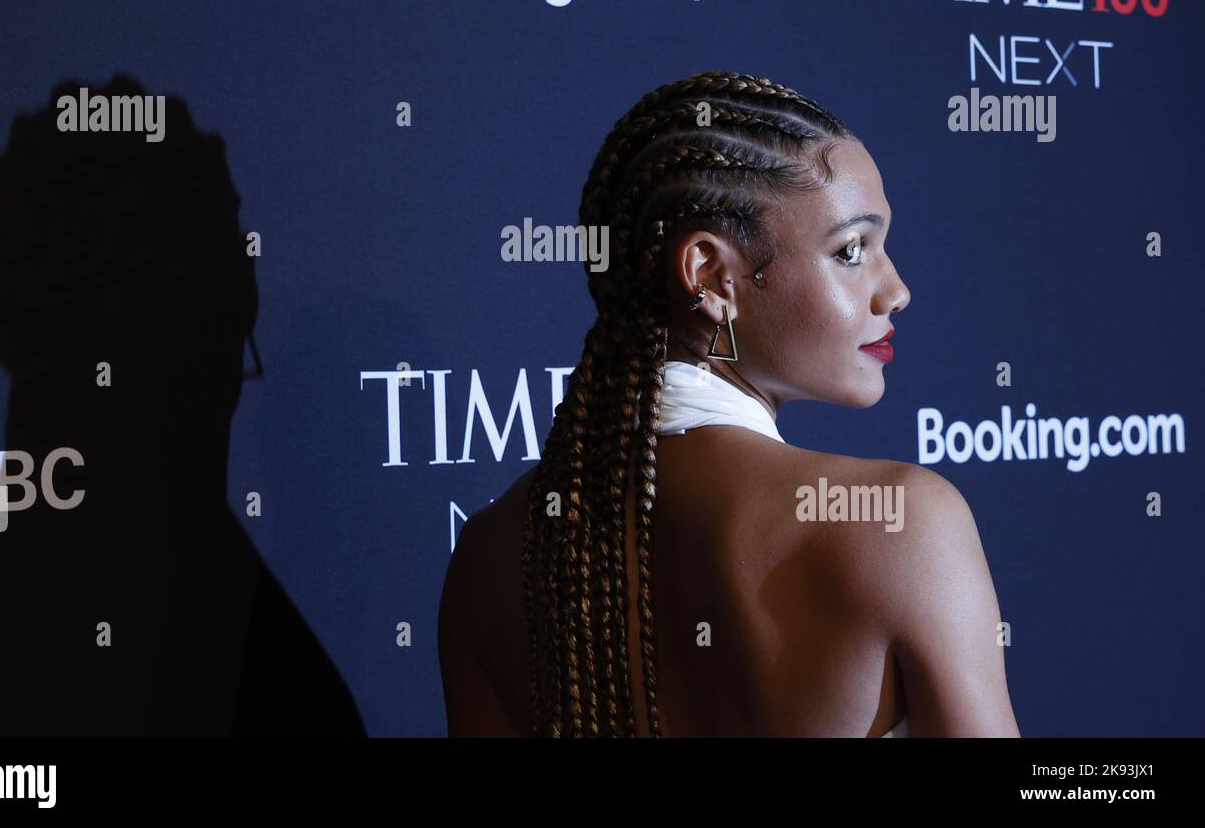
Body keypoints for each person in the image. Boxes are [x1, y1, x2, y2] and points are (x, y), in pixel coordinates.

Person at [437, 69, 1019, 737]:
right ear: (712, 279)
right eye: (852, 250)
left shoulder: (489, 554)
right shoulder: (901, 522)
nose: (895, 291)